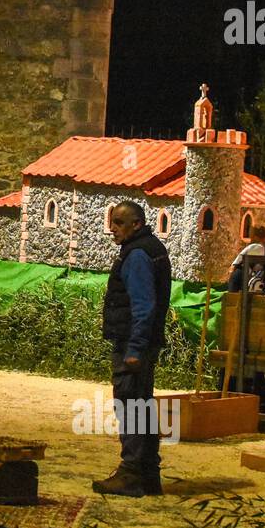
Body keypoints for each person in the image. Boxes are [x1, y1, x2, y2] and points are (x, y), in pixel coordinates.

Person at [93, 200, 172, 498]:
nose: (112, 229)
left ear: (136, 224)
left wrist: (135, 349)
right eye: (112, 222)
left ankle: (131, 474)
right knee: (142, 405)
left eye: (119, 223)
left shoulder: (138, 254)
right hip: (141, 342)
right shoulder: (150, 248)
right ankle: (149, 475)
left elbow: (143, 306)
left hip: (133, 343)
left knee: (130, 406)